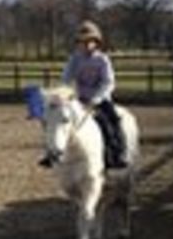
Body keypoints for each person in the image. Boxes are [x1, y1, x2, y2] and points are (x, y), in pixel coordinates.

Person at [39, 20, 128, 169]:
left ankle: (117, 153)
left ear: (96, 42)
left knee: (111, 120)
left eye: (90, 41)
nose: (86, 44)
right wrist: (65, 93)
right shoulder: (74, 59)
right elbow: (67, 78)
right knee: (55, 119)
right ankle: (51, 152)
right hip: (79, 99)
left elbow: (108, 82)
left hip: (99, 99)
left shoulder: (102, 60)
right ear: (78, 43)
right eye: (83, 41)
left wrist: (97, 98)